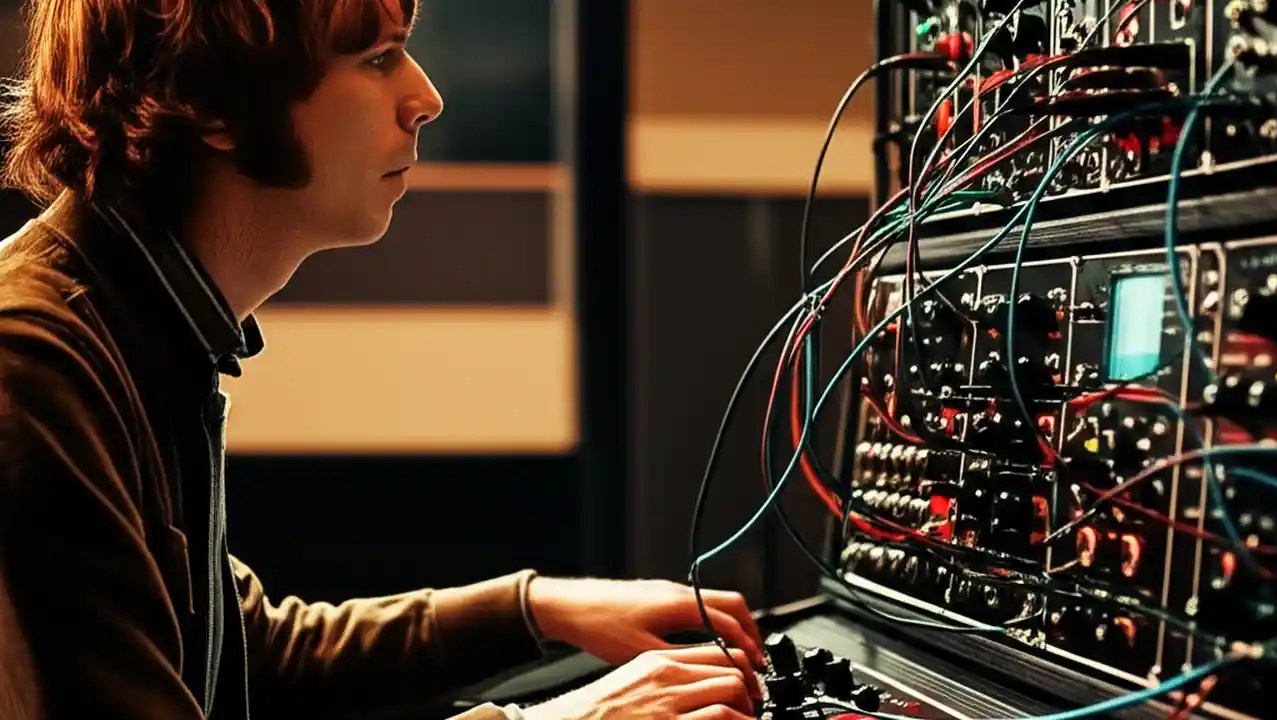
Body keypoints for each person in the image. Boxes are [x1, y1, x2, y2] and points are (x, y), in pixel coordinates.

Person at [0, 1, 766, 718]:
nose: (425, 96)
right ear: (212, 101)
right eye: (377, 58)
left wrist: (535, 609)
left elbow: (245, 654)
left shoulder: (131, 321)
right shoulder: (34, 358)